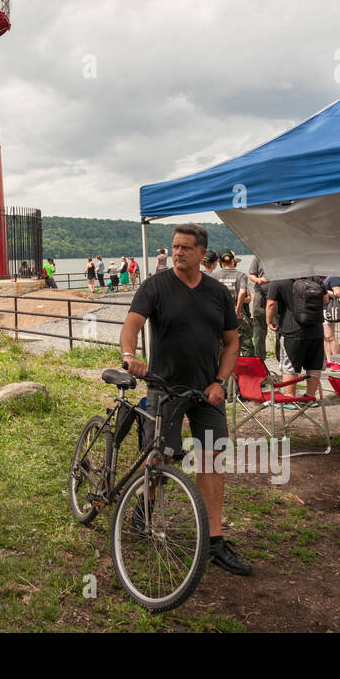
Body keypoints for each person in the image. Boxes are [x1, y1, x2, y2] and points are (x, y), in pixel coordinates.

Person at [119, 223, 252, 577]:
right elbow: (131, 323)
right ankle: (144, 508)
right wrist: (129, 354)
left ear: (201, 253)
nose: (177, 253)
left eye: (185, 248)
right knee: (161, 456)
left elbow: (232, 342)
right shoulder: (155, 286)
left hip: (207, 392)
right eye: (174, 247)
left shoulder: (217, 293)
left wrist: (220, 381)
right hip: (163, 387)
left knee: (212, 460)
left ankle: (214, 541)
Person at [267, 276, 326, 400]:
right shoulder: (315, 279)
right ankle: (310, 397)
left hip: (292, 330)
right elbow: (325, 299)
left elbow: (271, 304)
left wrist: (269, 321)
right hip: (316, 328)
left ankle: (290, 397)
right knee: (314, 365)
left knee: (290, 366)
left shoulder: (278, 280)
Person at [211, 249, 251, 355]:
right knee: (244, 342)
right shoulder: (241, 275)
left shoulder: (214, 276)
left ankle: (222, 368)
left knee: (221, 342)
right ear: (233, 260)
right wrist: (237, 310)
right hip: (236, 309)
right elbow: (242, 292)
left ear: (220, 262)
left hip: (220, 310)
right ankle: (245, 369)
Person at [246, 254, 270, 360]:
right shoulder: (258, 257)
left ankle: (281, 358)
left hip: (277, 296)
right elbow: (251, 275)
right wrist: (258, 280)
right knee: (259, 328)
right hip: (260, 294)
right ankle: (260, 359)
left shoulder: (280, 256)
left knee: (279, 327)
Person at [321, 275, 340, 370]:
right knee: (325, 337)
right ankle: (329, 359)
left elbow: (338, 293)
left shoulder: (333, 277)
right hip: (322, 309)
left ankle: (337, 361)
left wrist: (323, 291)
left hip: (329, 310)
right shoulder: (321, 277)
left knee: (330, 336)